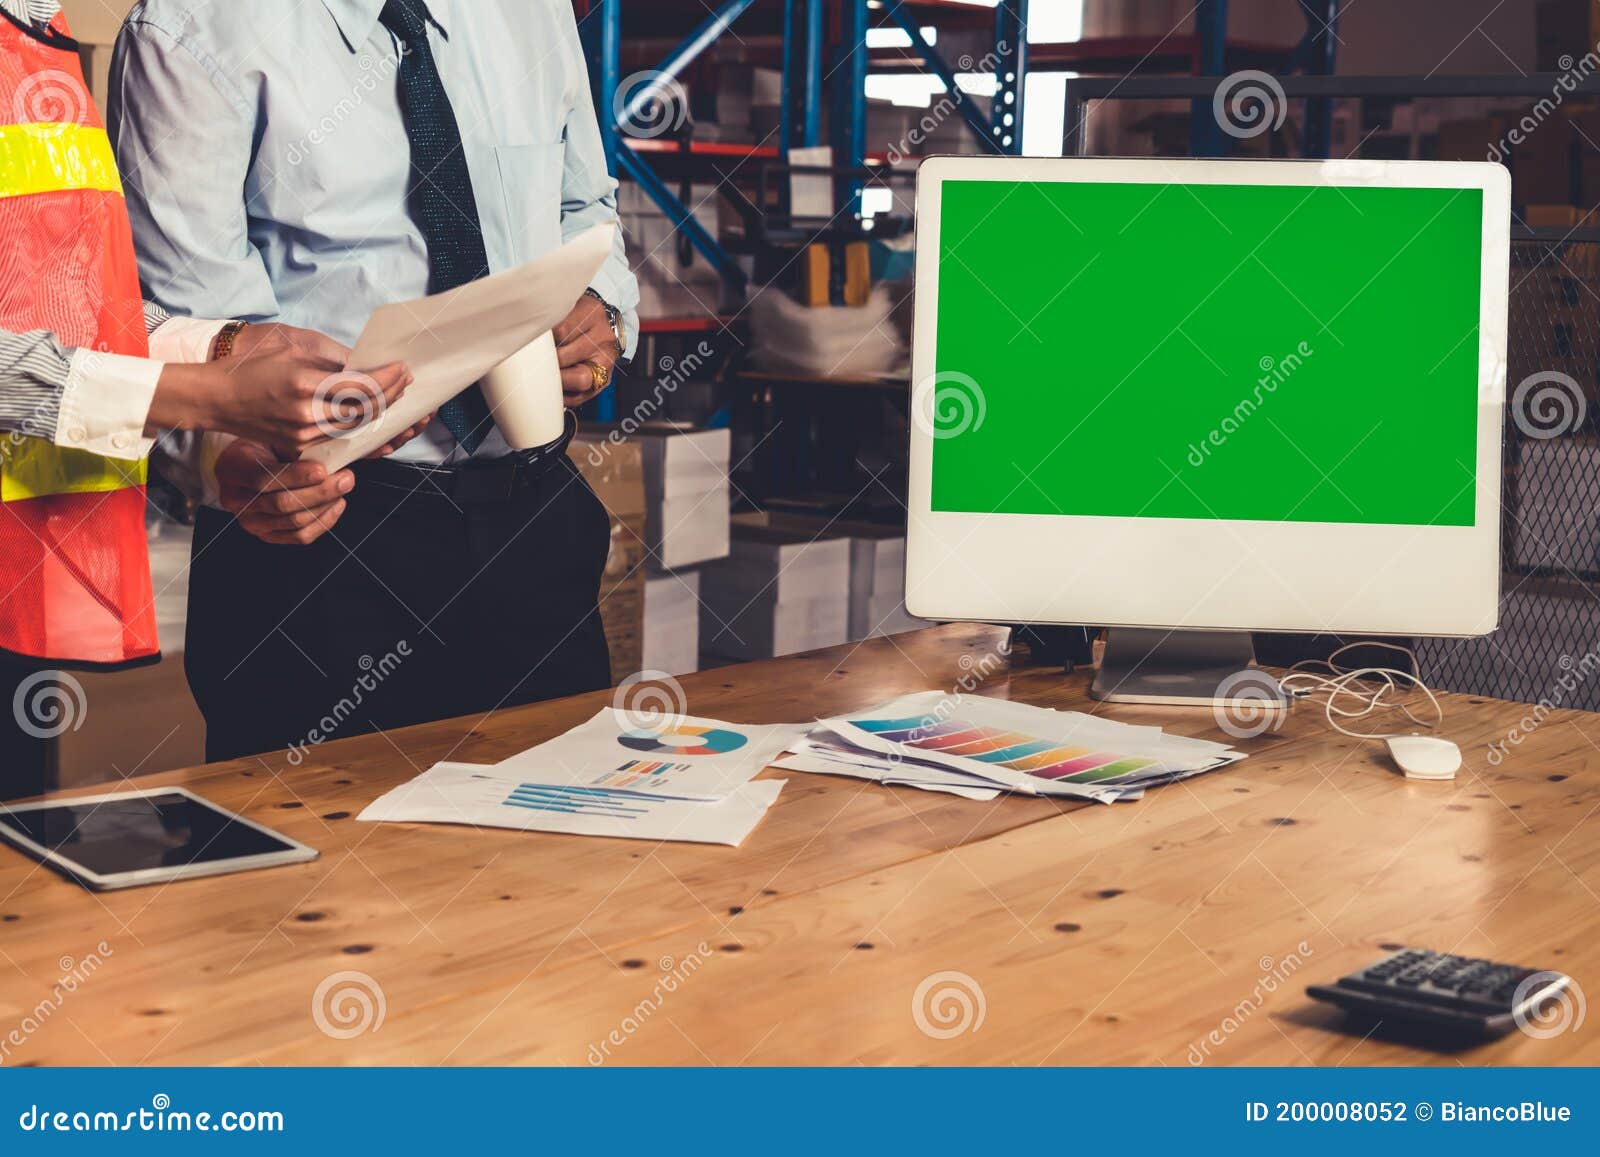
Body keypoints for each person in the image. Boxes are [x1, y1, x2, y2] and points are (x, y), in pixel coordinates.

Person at [111, 0, 643, 762]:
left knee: (564, 850)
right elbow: (168, 321)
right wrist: (220, 452)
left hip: (533, 521)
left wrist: (605, 310)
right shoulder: (193, 26)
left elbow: (584, 207)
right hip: (321, 545)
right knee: (312, 867)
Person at [0, 0, 417, 798]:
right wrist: (206, 393)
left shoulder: (35, 45)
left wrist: (233, 347)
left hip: (18, 582)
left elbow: (73, 307)